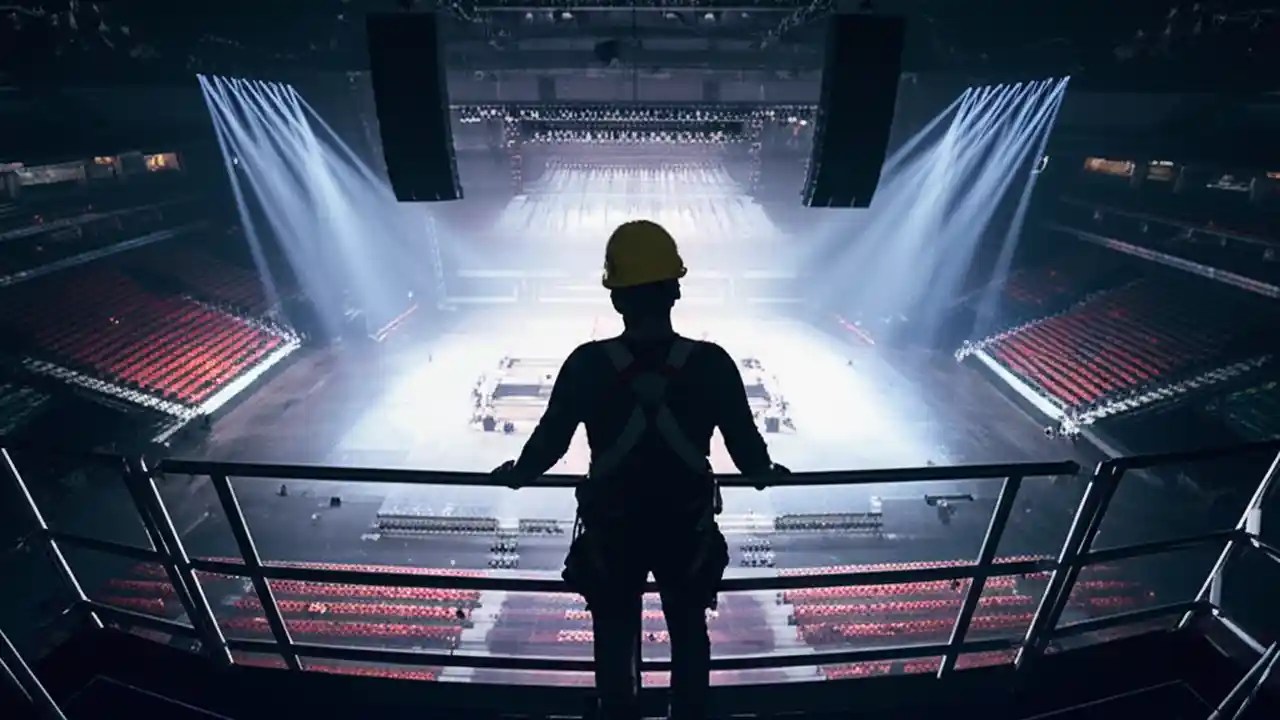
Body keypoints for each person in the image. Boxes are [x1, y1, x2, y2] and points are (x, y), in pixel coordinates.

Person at [492, 220, 787, 720]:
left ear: (616, 299)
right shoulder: (712, 364)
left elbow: (549, 444)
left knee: (613, 631)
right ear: (676, 290)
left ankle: (617, 709)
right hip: (684, 527)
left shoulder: (586, 364)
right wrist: (765, 472)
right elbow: (748, 455)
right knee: (689, 628)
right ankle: (689, 712)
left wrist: (518, 472)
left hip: (614, 530)